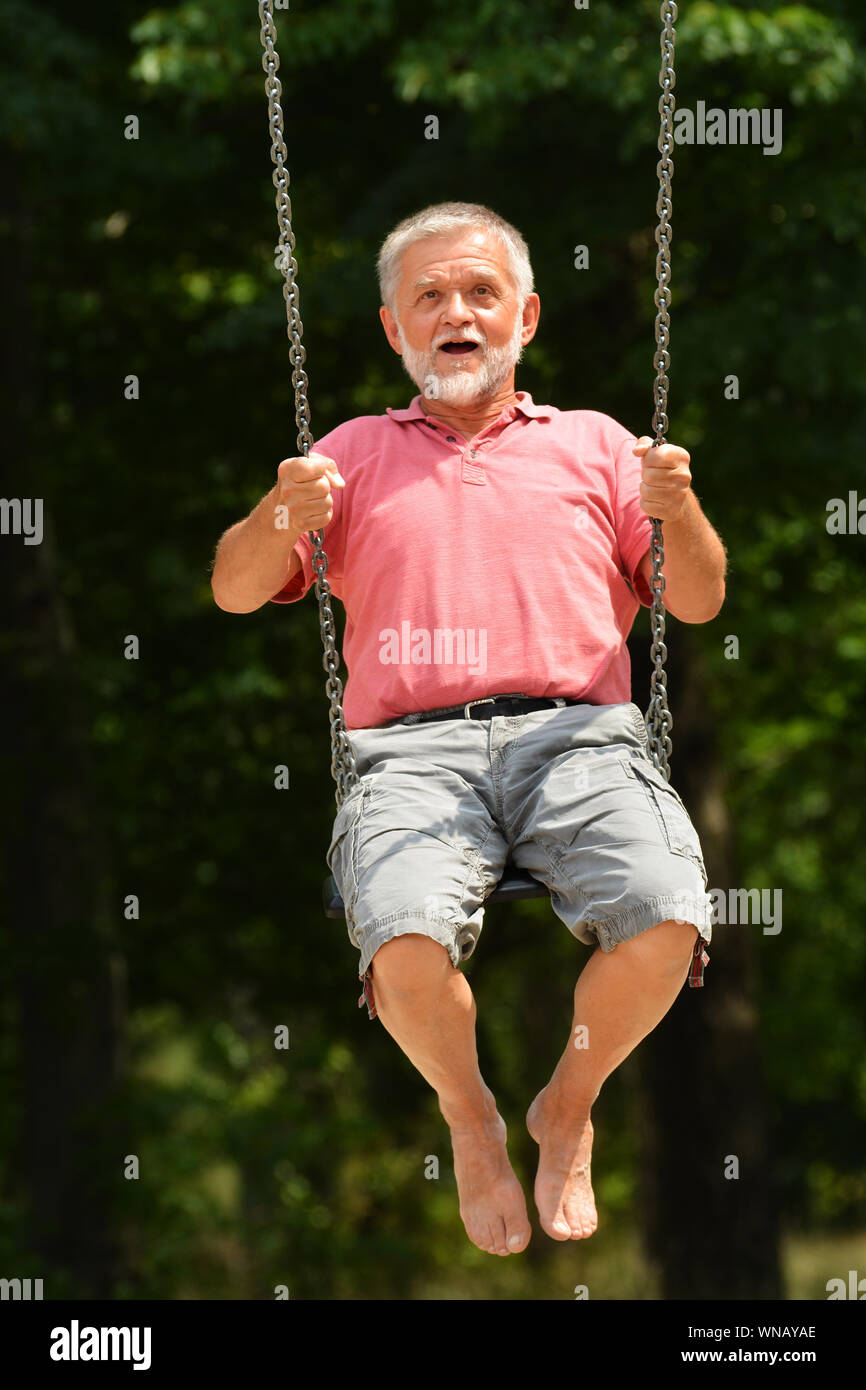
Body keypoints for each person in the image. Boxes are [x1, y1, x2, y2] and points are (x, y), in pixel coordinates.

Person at [211, 201, 727, 1259]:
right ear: (395, 330)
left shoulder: (595, 445)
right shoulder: (347, 455)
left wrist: (676, 506)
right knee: (397, 941)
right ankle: (469, 1112)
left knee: (668, 919)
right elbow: (230, 589)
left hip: (582, 739)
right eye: (429, 298)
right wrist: (279, 513)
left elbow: (701, 600)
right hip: (407, 756)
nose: (457, 313)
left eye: (480, 293)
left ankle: (564, 1103)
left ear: (524, 316)